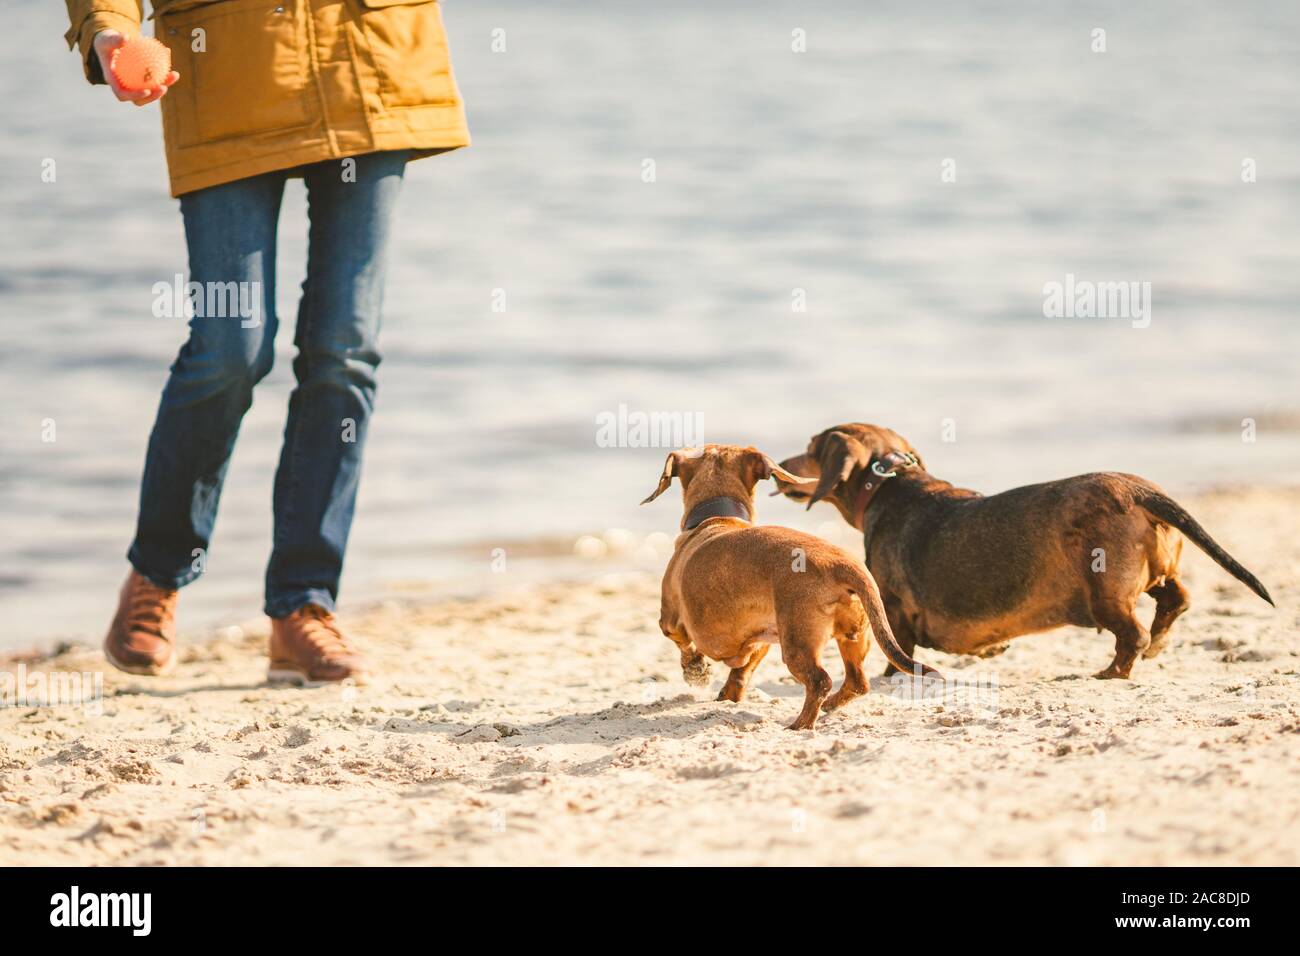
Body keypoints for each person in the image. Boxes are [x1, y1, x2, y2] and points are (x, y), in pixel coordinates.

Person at [63, 0, 470, 683]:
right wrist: (109, 29)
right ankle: (156, 576)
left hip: (367, 67)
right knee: (230, 349)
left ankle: (302, 606)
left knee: (345, 353)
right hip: (223, 72)